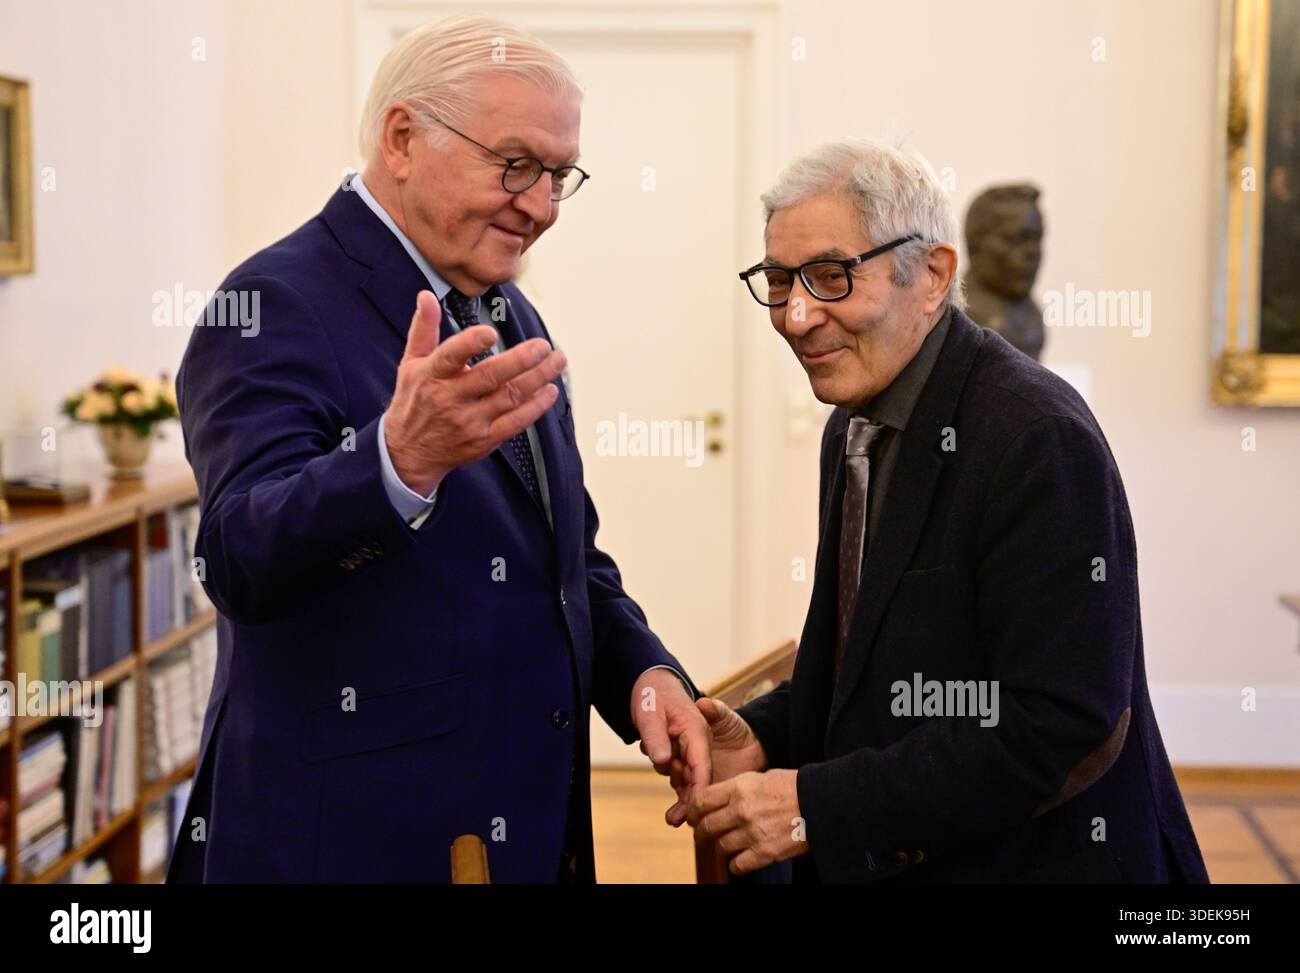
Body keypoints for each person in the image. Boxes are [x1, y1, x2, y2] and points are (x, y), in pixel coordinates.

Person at [169, 14, 708, 883]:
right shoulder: (271, 301)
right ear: (404, 137)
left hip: (523, 831)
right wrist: (396, 463)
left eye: (559, 174)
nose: (541, 205)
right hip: (355, 843)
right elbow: (236, 558)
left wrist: (646, 672)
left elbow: (565, 562)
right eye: (516, 164)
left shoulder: (502, 308)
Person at [690, 138, 1208, 884]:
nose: (797, 315)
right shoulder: (855, 418)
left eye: (832, 277)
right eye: (778, 280)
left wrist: (817, 801)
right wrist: (764, 736)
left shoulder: (1036, 436)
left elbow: (1057, 723)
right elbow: (870, 660)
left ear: (931, 275)